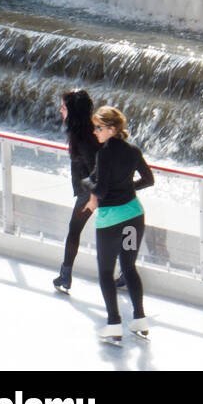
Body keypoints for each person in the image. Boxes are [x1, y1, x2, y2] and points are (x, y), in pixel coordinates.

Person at [81, 106, 154, 342]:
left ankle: (114, 323)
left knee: (105, 271)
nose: (95, 132)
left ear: (111, 129)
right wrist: (127, 189)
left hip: (111, 221)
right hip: (133, 216)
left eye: (99, 128)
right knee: (129, 267)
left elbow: (100, 190)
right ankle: (140, 318)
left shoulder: (104, 153)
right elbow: (149, 179)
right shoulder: (133, 150)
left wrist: (86, 183)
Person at [52, 90, 99, 293]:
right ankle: (65, 274)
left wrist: (92, 197)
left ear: (73, 112)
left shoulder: (82, 137)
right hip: (93, 191)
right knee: (112, 231)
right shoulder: (84, 132)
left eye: (63, 107)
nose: (60, 110)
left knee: (74, 231)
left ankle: (65, 274)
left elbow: (95, 169)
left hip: (92, 193)